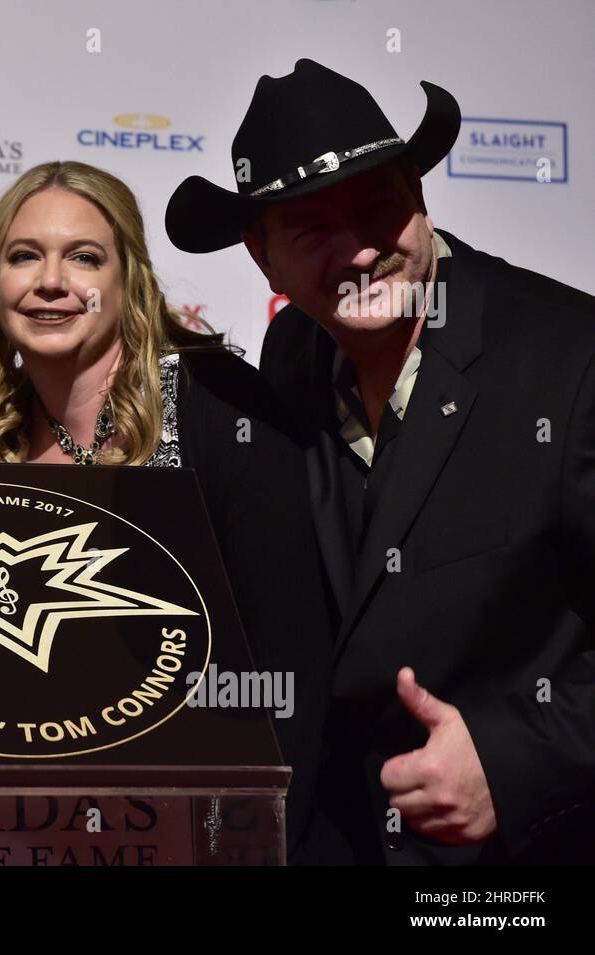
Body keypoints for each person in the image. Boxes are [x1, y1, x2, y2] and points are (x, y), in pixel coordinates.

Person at [166, 58, 595, 863]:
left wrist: (513, 759)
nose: (359, 252)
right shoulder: (292, 351)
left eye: (377, 209)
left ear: (422, 203)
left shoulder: (569, 360)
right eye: (313, 230)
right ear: (265, 262)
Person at [0, 160, 334, 860]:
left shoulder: (220, 408)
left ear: (128, 279)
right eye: (23, 256)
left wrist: (246, 845)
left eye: (84, 257)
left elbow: (291, 670)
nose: (50, 280)